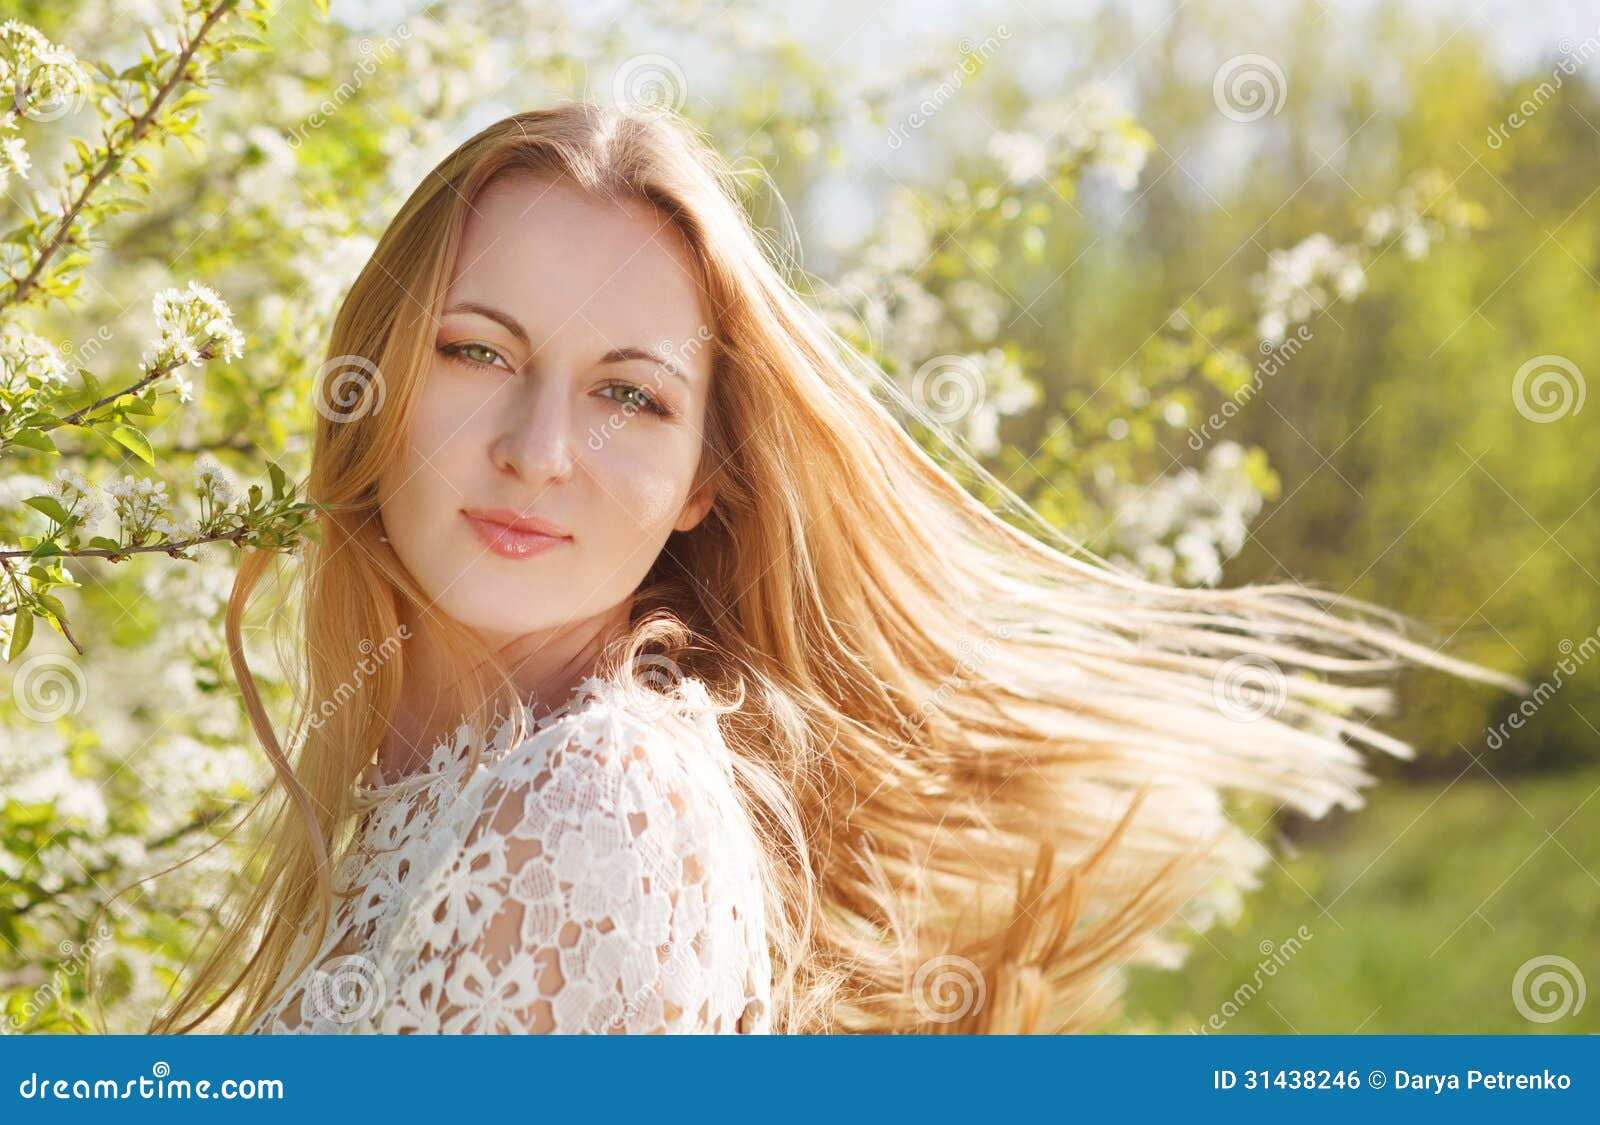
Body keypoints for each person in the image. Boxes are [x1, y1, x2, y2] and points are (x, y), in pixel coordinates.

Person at [146, 101, 1526, 1035]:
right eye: (477, 351)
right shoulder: (421, 779)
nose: (539, 446)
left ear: (704, 478)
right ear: (371, 376)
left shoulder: (596, 809)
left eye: (630, 394)